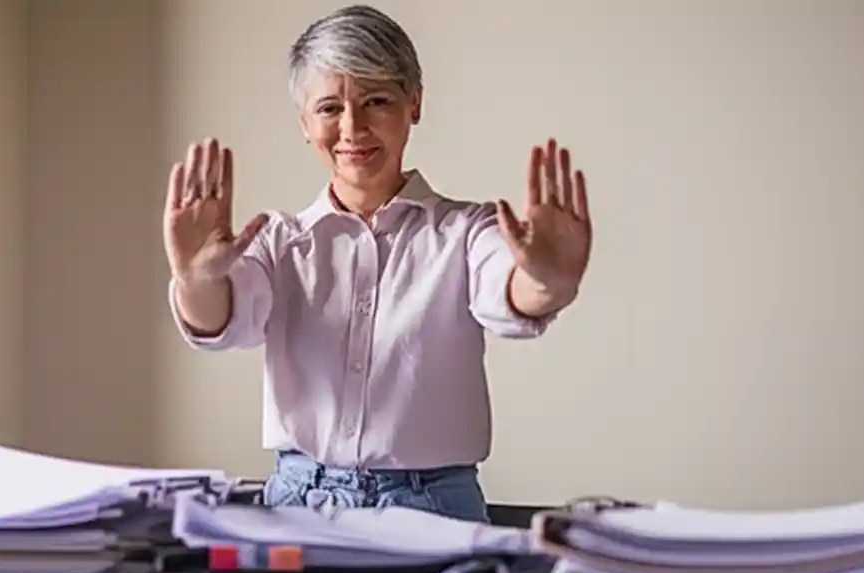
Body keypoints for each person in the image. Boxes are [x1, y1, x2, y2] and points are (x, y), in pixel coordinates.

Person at [161, 4, 591, 522]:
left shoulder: (467, 231)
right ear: (304, 123)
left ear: (414, 103)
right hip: (298, 501)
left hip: (434, 508)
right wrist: (195, 278)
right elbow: (223, 320)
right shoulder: (278, 242)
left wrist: (547, 281)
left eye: (376, 101)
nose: (352, 127)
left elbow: (513, 291)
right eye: (329, 108)